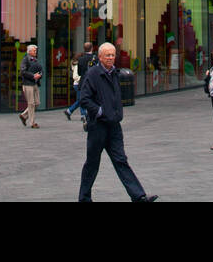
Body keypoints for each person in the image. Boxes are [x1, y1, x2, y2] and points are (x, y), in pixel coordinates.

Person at [77, 43, 157, 201]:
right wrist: (99, 111)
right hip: (98, 126)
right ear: (100, 57)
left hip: (114, 126)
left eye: (113, 55)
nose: (110, 58)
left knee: (121, 161)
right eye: (107, 55)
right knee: (92, 164)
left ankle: (139, 196)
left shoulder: (115, 73)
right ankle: (84, 198)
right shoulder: (92, 74)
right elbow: (84, 99)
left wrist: (117, 112)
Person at [65, 42, 95, 121]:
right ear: (92, 48)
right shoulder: (95, 58)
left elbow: (79, 73)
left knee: (81, 99)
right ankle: (83, 114)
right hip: (90, 82)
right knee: (83, 99)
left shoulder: (81, 60)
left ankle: (71, 111)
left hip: (82, 82)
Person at [18, 44, 43, 128]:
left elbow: (40, 69)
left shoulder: (35, 60)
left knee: (37, 103)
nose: (35, 52)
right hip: (28, 84)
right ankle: (32, 123)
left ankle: (23, 115)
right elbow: (22, 71)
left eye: (36, 50)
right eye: (34, 50)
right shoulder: (25, 59)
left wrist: (40, 75)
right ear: (29, 51)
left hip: (35, 83)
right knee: (31, 103)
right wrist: (33, 76)